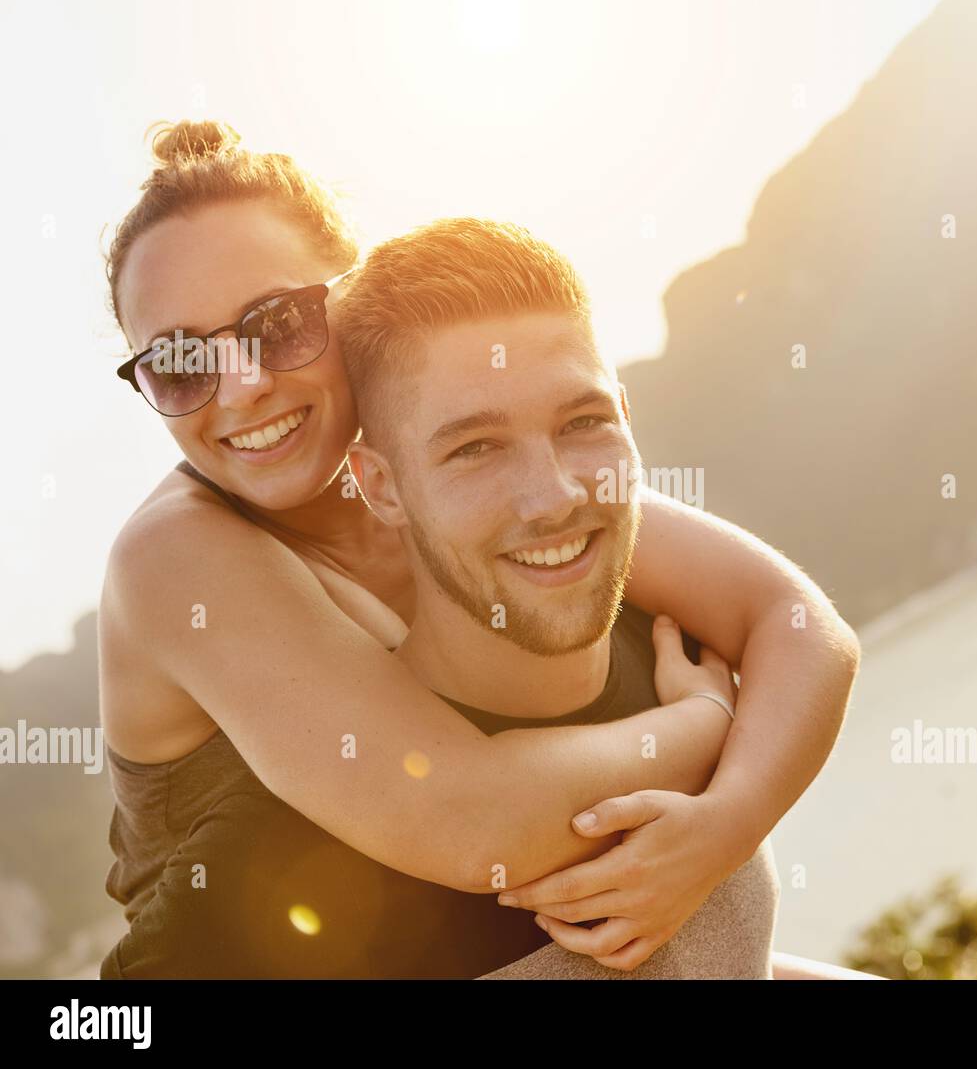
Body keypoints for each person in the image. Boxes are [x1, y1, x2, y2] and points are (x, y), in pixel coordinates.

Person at [98, 121, 860, 974]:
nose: (240, 387)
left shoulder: (465, 473)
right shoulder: (177, 556)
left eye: (275, 324)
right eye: (177, 361)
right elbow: (471, 818)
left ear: (350, 298)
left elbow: (794, 621)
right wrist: (703, 720)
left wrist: (729, 823)